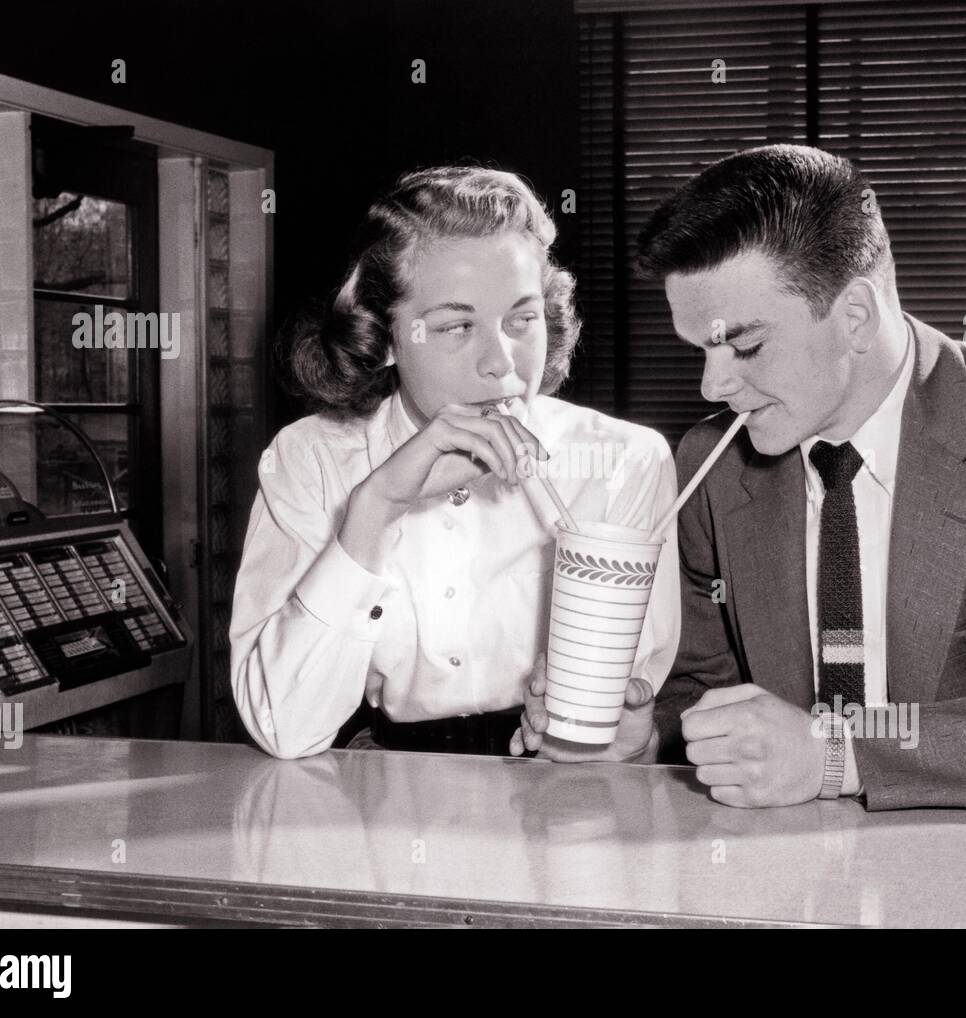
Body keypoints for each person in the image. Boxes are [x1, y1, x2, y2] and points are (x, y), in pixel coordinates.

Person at [514, 144, 966, 810]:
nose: (714, 383)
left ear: (856, 317)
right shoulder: (710, 464)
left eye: (744, 346)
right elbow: (699, 692)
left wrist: (840, 754)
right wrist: (650, 737)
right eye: (701, 349)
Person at [231, 166, 679, 759]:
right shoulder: (309, 458)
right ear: (383, 334)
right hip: (381, 804)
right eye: (457, 326)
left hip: (562, 798)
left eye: (522, 319)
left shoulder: (624, 462)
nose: (502, 363)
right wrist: (376, 505)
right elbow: (284, 728)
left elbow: (622, 720)